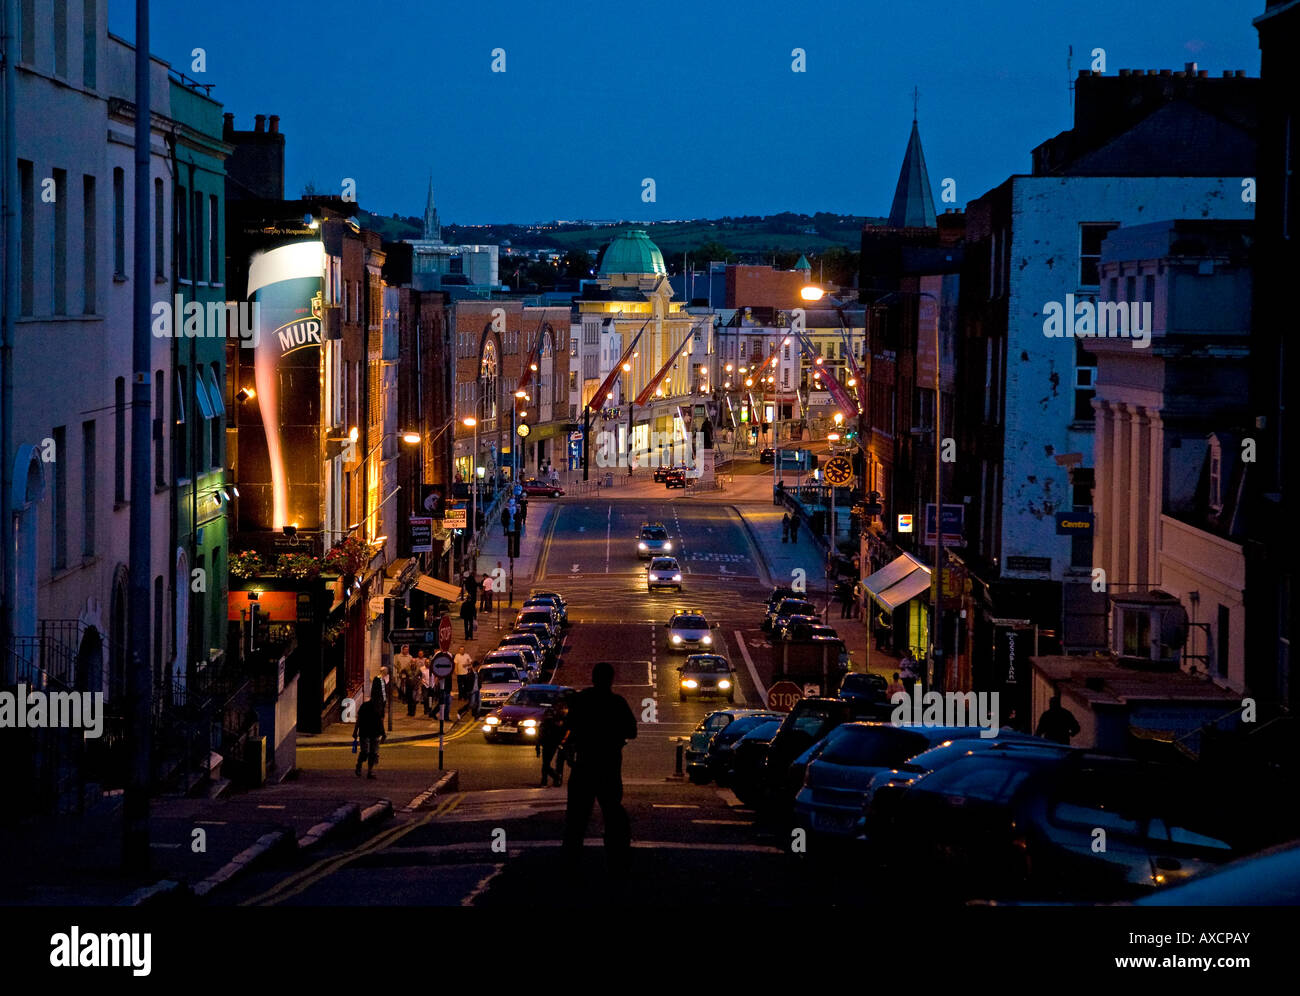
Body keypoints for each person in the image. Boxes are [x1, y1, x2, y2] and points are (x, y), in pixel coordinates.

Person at [562, 662, 638, 880]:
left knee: (576, 819)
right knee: (612, 813)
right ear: (611, 679)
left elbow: (570, 727)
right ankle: (616, 862)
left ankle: (570, 864)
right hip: (608, 766)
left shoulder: (581, 700)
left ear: (593, 677)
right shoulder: (617, 703)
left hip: (584, 765)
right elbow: (632, 731)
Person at [354, 677, 387, 778]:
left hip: (374, 732)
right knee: (365, 752)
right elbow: (359, 719)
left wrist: (383, 733)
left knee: (373, 753)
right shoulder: (366, 706)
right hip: (365, 731)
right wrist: (355, 731)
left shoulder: (379, 708)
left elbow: (380, 721)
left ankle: (370, 771)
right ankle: (359, 766)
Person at [539, 700, 569, 787]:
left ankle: (549, 779)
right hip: (551, 741)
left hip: (552, 741)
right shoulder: (558, 718)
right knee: (546, 762)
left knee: (547, 762)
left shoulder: (560, 718)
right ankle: (551, 778)